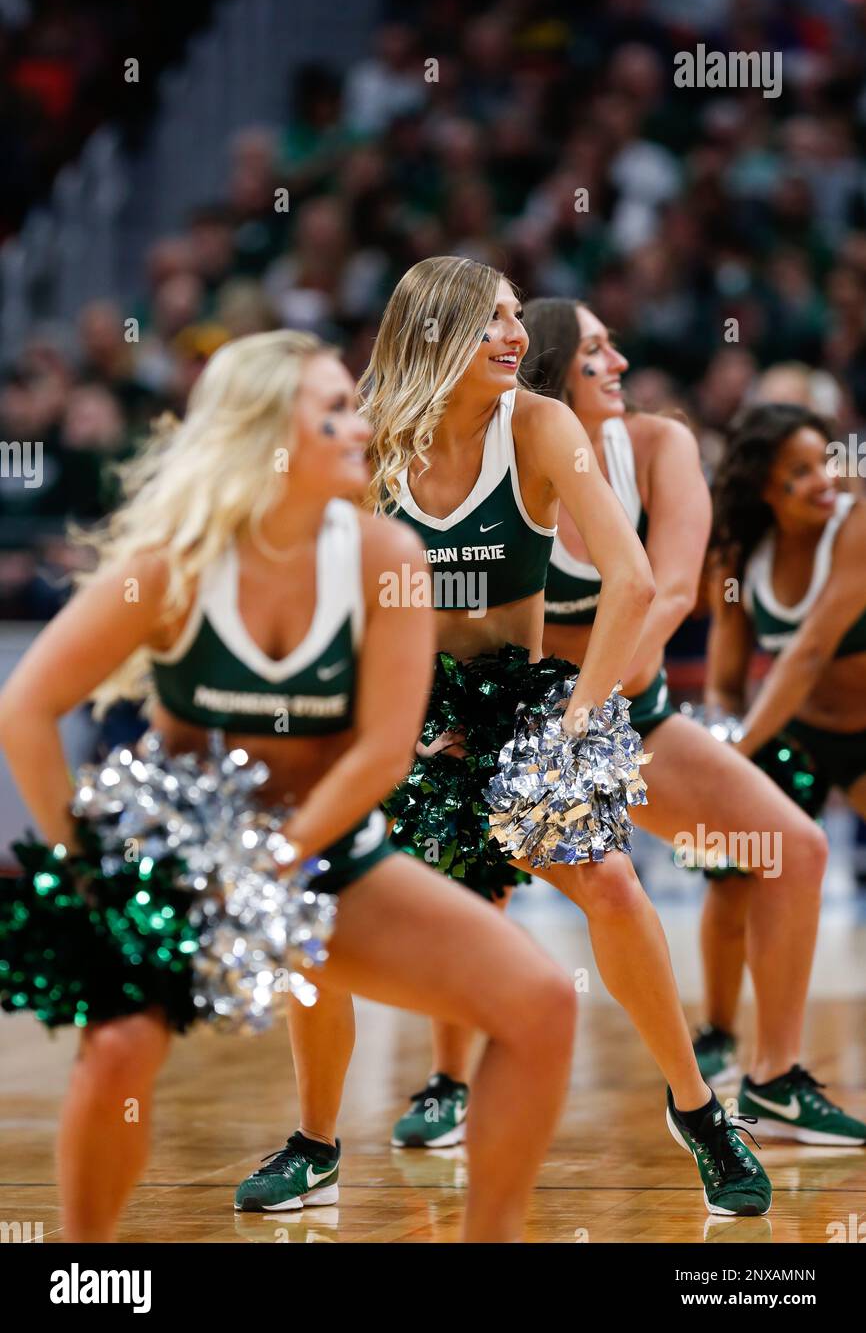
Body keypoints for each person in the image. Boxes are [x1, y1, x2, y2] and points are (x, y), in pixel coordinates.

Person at [0, 330, 580, 1244]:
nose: (362, 427)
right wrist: (84, 873)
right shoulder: (175, 563)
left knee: (542, 1004)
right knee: (115, 1046)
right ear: (265, 435)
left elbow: (384, 753)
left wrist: (279, 860)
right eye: (334, 413)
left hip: (328, 853)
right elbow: (26, 709)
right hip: (187, 862)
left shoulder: (385, 559)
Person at [244, 259, 772, 1219]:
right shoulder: (368, 444)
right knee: (311, 911)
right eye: (490, 319)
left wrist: (572, 727)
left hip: (517, 706)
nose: (515, 334)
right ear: (433, 332)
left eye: (518, 317)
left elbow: (636, 582)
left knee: (609, 884)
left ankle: (699, 1111)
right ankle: (316, 1142)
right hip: (400, 711)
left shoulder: (537, 425)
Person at [694, 402, 866, 1143]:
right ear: (764, 487)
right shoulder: (738, 556)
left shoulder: (857, 525)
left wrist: (730, 754)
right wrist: (725, 737)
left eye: (825, 459)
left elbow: (804, 656)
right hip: (789, 734)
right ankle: (721, 1035)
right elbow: (728, 678)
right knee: (733, 873)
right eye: (798, 472)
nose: (822, 479)